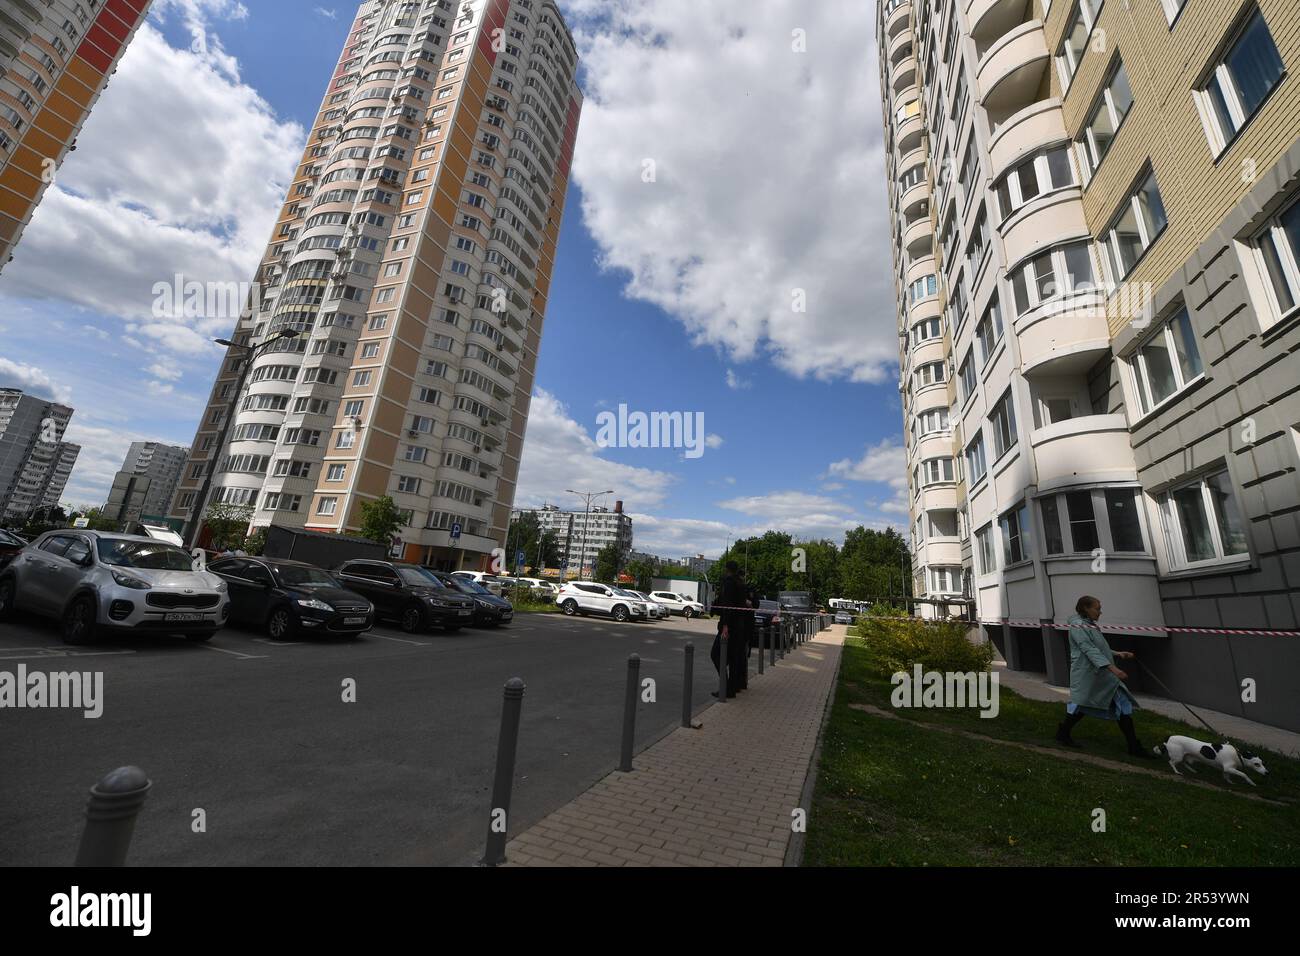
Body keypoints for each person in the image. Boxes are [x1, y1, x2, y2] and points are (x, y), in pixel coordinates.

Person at [1055, 595, 1153, 758]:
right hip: (1090, 674)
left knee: (1120, 704)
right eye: (1097, 608)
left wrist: (1118, 654)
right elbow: (1089, 650)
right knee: (1083, 704)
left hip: (1100, 673)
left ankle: (1133, 746)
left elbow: (1098, 647)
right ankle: (1063, 733)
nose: (1100, 612)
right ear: (1086, 608)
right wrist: (1113, 669)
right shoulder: (1079, 626)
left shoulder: (1088, 625)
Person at [710, 561, 748, 698]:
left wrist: (725, 625)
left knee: (715, 654)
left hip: (729, 626)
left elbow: (727, 605)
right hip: (739, 626)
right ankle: (731, 688)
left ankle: (725, 687)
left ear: (727, 570)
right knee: (733, 658)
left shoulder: (729, 583)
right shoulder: (741, 584)